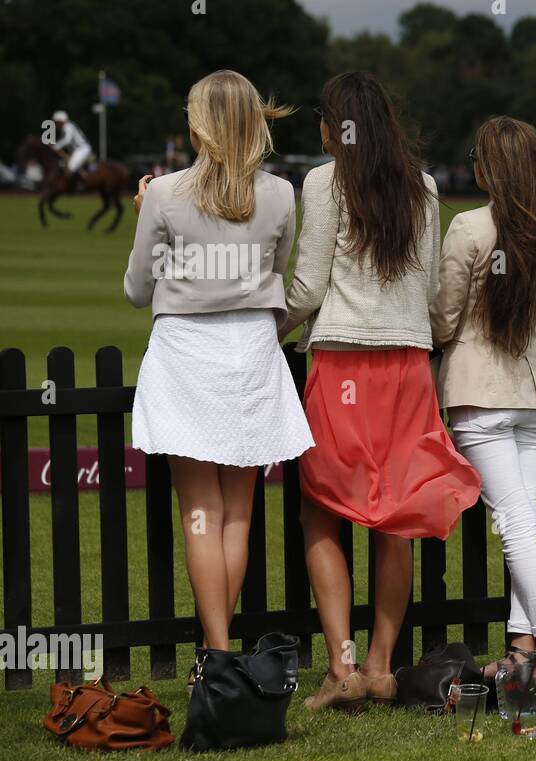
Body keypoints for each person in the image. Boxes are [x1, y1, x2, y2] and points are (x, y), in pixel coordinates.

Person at [279, 72, 480, 712]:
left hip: (342, 363)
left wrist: (267, 327)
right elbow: (423, 292)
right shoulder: (420, 185)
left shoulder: (323, 181)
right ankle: (380, 666)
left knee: (321, 511)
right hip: (408, 364)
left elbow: (307, 288)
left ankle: (341, 669)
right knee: (394, 518)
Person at [123, 70, 313, 664]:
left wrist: (142, 216)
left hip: (187, 351)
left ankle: (218, 655)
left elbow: (135, 290)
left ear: (202, 122)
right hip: (252, 351)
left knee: (201, 512)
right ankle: (219, 657)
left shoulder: (164, 194)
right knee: (237, 514)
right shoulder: (282, 193)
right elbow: (275, 272)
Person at [432, 117, 536, 691]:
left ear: (489, 168)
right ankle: (527, 655)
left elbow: (444, 320)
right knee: (527, 526)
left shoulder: (468, 227)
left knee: (517, 527)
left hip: (479, 393)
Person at [52, 110, 92, 186]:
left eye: (56, 122)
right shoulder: (67, 127)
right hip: (76, 150)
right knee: (63, 164)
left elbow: (67, 140)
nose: (56, 124)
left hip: (82, 148)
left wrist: (56, 146)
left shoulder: (68, 126)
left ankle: (81, 185)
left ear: (61, 121)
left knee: (70, 166)